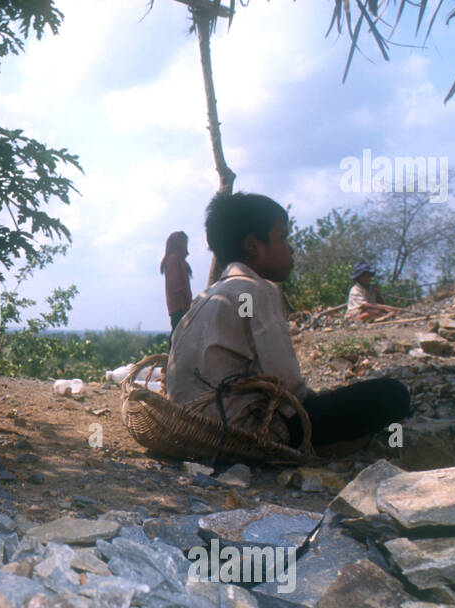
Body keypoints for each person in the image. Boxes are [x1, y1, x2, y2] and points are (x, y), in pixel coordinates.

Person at [166, 192, 411, 451]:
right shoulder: (257, 291)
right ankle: (380, 446)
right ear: (253, 246)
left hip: (192, 426)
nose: (290, 247)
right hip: (243, 430)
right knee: (393, 394)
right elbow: (288, 388)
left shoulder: (207, 296)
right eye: (283, 238)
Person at [160, 231, 193, 331]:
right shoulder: (173, 260)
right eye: (182, 242)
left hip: (183, 305)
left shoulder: (181, 261)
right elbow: (177, 286)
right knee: (178, 333)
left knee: (181, 333)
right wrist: (184, 305)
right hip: (178, 306)